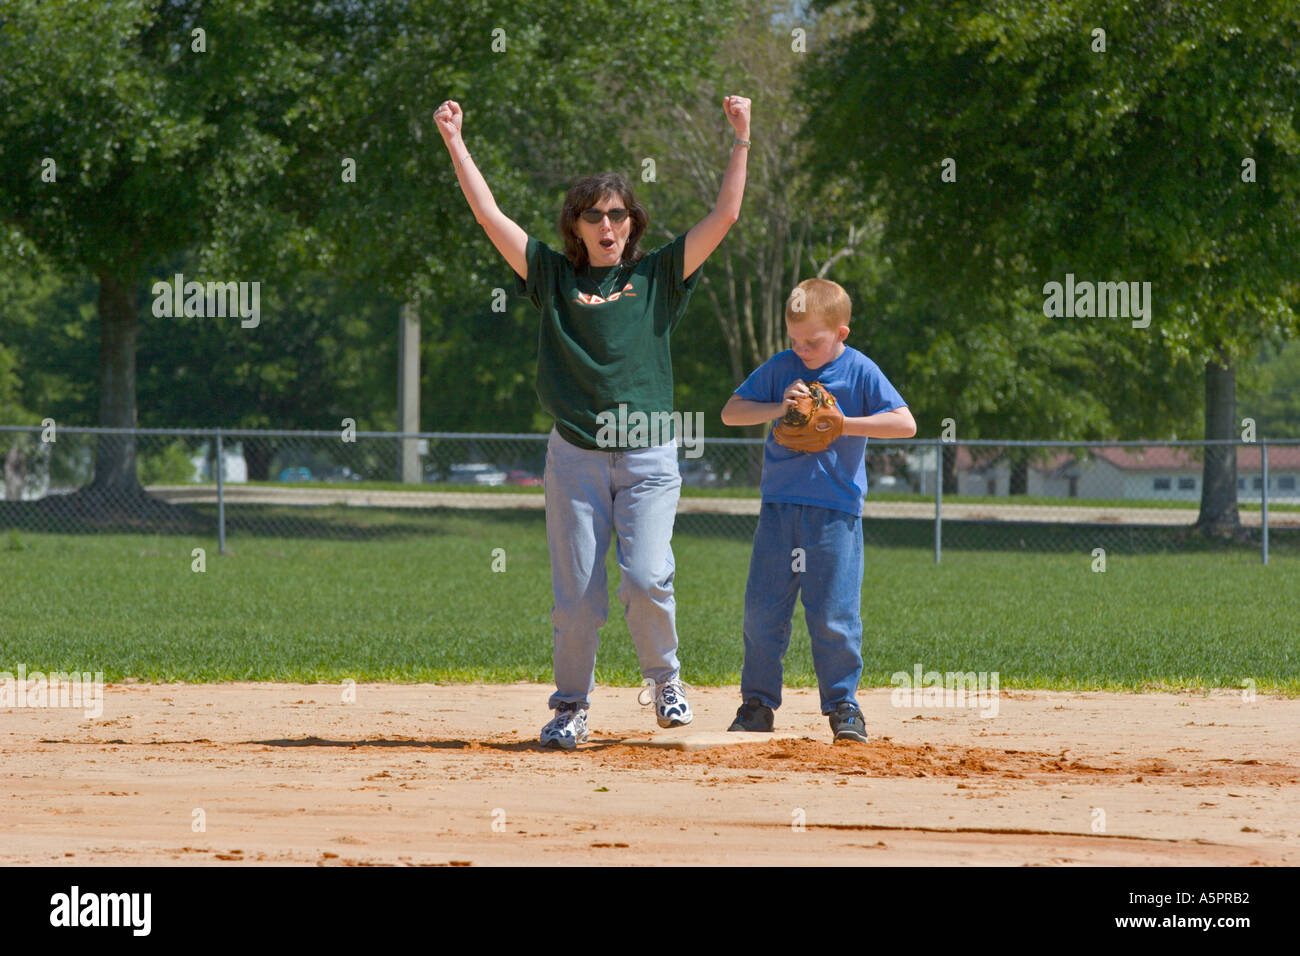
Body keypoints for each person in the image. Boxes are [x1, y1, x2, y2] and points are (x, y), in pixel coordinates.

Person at [435, 95, 751, 749]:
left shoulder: (659, 274)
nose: (606, 223)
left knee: (645, 578)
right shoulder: (550, 276)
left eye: (617, 213)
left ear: (632, 223)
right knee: (577, 597)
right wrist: (454, 139)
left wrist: (741, 140)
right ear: (575, 225)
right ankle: (570, 708)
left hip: (648, 457)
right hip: (575, 456)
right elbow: (488, 214)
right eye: (593, 214)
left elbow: (725, 215)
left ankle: (665, 681)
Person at [720, 278, 916, 742]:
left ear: (841, 334)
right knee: (762, 611)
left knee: (833, 613)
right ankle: (757, 704)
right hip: (779, 510)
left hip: (835, 512)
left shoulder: (861, 371)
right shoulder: (783, 368)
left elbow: (904, 423)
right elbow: (731, 412)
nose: (801, 348)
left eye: (813, 340)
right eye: (794, 339)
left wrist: (843, 423)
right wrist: (777, 406)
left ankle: (843, 705)